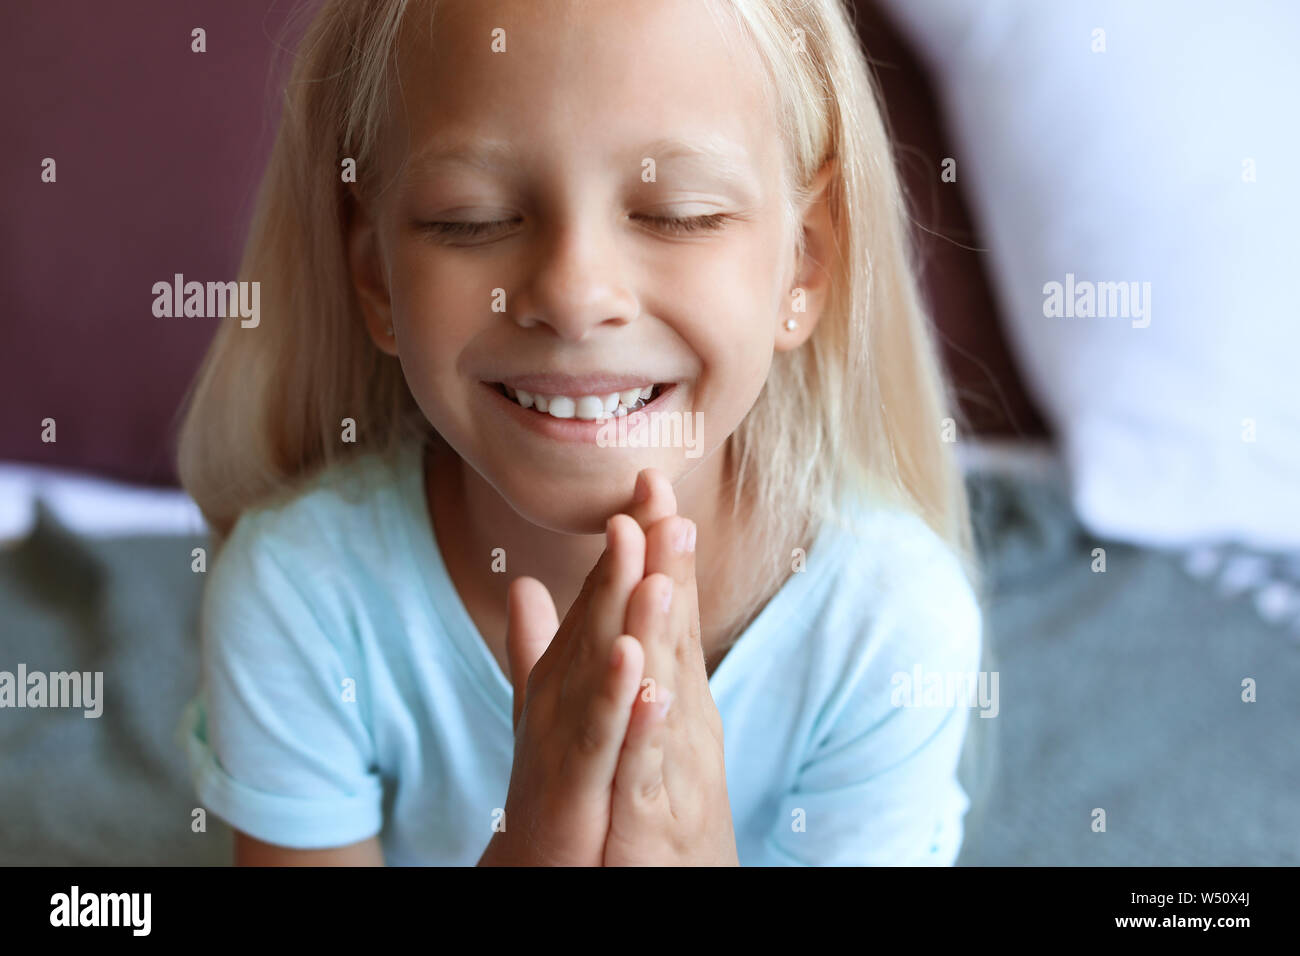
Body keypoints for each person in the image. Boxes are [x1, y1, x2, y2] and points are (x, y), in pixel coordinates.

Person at [175, 0, 984, 866]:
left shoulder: (888, 627)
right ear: (376, 276)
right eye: (471, 218)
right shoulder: (302, 596)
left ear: (805, 262)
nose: (571, 291)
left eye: (678, 212)